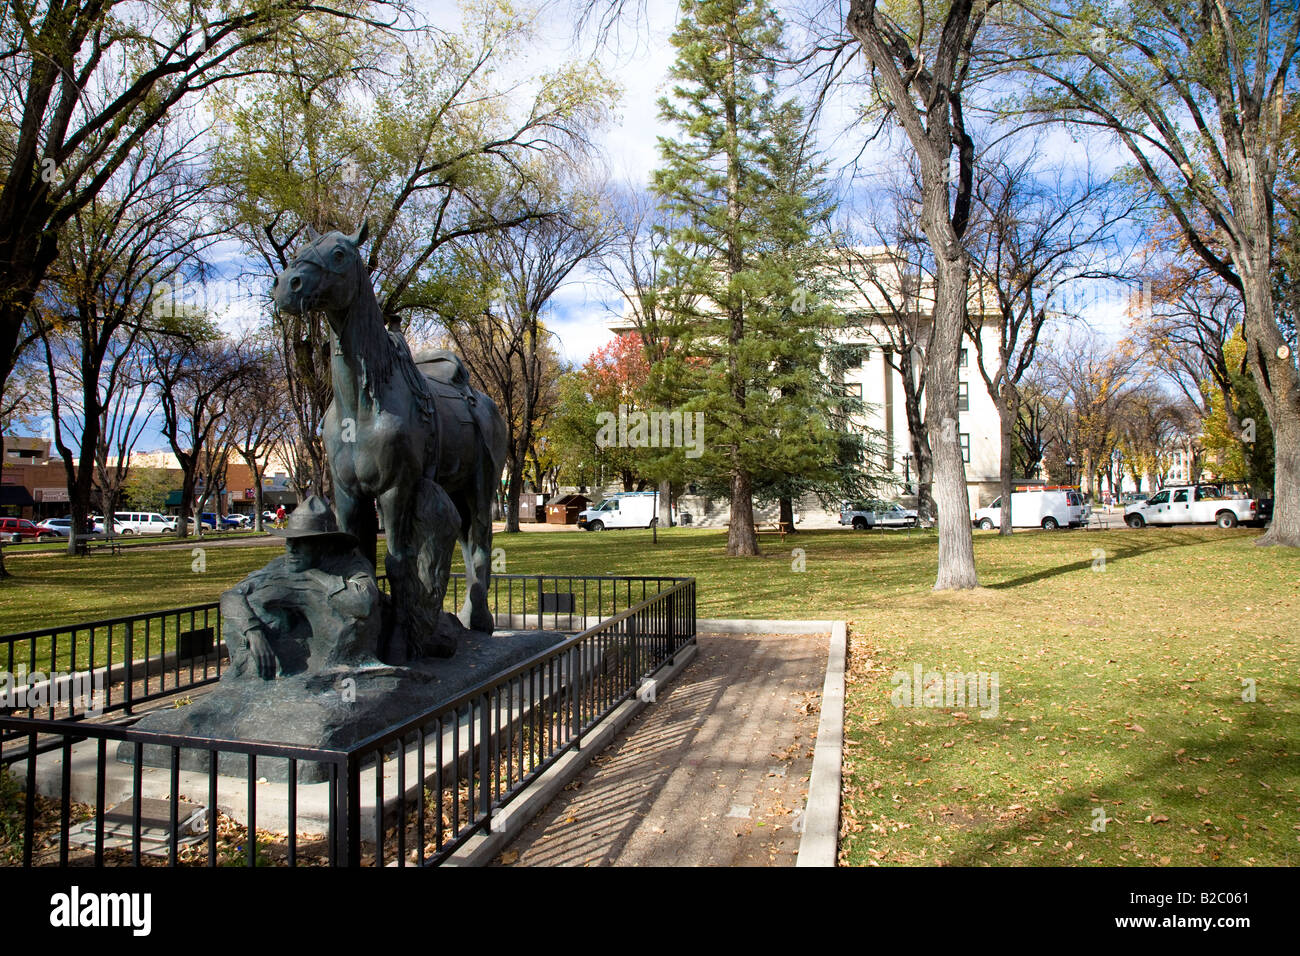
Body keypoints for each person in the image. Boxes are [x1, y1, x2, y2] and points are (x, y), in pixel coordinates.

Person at [221, 496, 384, 680]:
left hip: (343, 664)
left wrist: (314, 575)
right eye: (289, 540)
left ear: (324, 545)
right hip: (285, 662)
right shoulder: (281, 566)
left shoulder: (352, 565)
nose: (291, 549)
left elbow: (363, 604)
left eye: (301, 541)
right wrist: (253, 631)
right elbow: (232, 595)